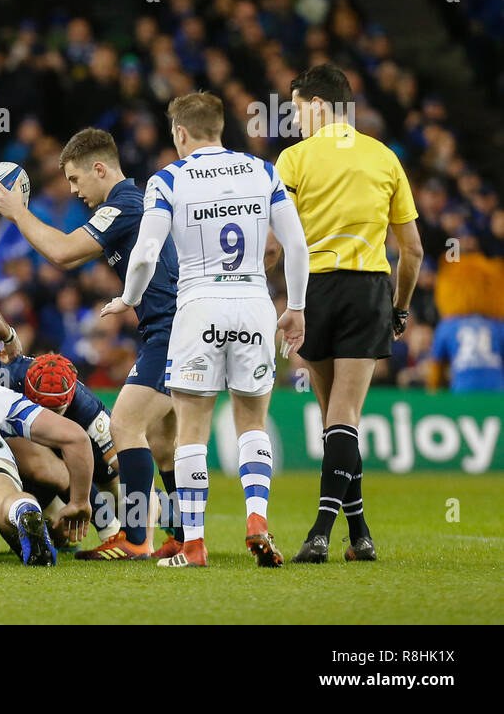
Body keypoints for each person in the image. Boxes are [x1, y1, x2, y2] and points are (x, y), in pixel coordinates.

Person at [104, 91, 309, 568]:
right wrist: (295, 307)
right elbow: (296, 246)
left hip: (198, 306)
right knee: (252, 423)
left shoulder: (168, 179)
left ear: (179, 133)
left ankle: (194, 545)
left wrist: (128, 298)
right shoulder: (263, 171)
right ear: (220, 127)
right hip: (255, 303)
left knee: (191, 431)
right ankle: (256, 516)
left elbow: (145, 253)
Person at [0, 128, 180, 559]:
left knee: (127, 427)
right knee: (165, 441)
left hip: (170, 328)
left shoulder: (125, 204)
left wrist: (18, 212)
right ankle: (180, 536)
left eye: (75, 180)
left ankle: (135, 538)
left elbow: (65, 252)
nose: (74, 191)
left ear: (99, 168)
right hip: (169, 326)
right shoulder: (142, 202)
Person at [275, 64, 423, 564]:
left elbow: (281, 240)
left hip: (313, 290)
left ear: (318, 104)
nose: (294, 120)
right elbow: (415, 250)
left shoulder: (293, 160)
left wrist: (282, 295)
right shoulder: (385, 157)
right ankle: (358, 534)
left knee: (333, 418)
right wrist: (399, 310)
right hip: (368, 289)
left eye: (296, 109)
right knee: (346, 418)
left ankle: (320, 531)